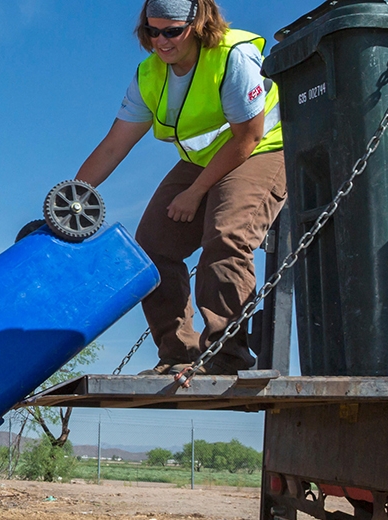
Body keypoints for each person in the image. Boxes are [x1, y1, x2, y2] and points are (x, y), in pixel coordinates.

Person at [75, 0, 286, 375]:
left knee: (226, 236)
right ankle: (179, 355)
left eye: (172, 31)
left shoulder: (232, 56)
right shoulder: (149, 76)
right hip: (202, 161)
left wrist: (196, 192)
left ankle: (226, 356)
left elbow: (247, 137)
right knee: (153, 246)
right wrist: (71, 197)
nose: (161, 41)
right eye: (152, 31)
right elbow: (113, 146)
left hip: (262, 150)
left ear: (198, 24)